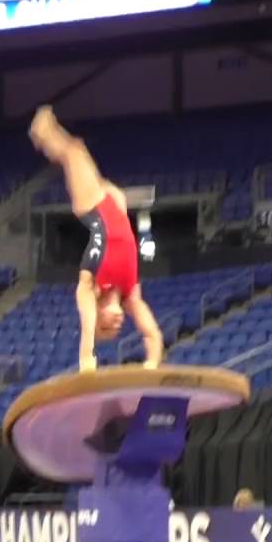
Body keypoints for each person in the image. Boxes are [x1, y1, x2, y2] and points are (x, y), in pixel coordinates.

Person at [28, 106, 163, 372]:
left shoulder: (91, 283)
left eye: (108, 325)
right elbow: (152, 334)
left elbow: (86, 317)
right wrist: (152, 364)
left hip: (93, 206)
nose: (118, 323)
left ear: (99, 314)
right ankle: (48, 131)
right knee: (76, 148)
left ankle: (42, 134)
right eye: (118, 327)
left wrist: (87, 357)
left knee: (73, 152)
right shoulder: (131, 293)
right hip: (117, 206)